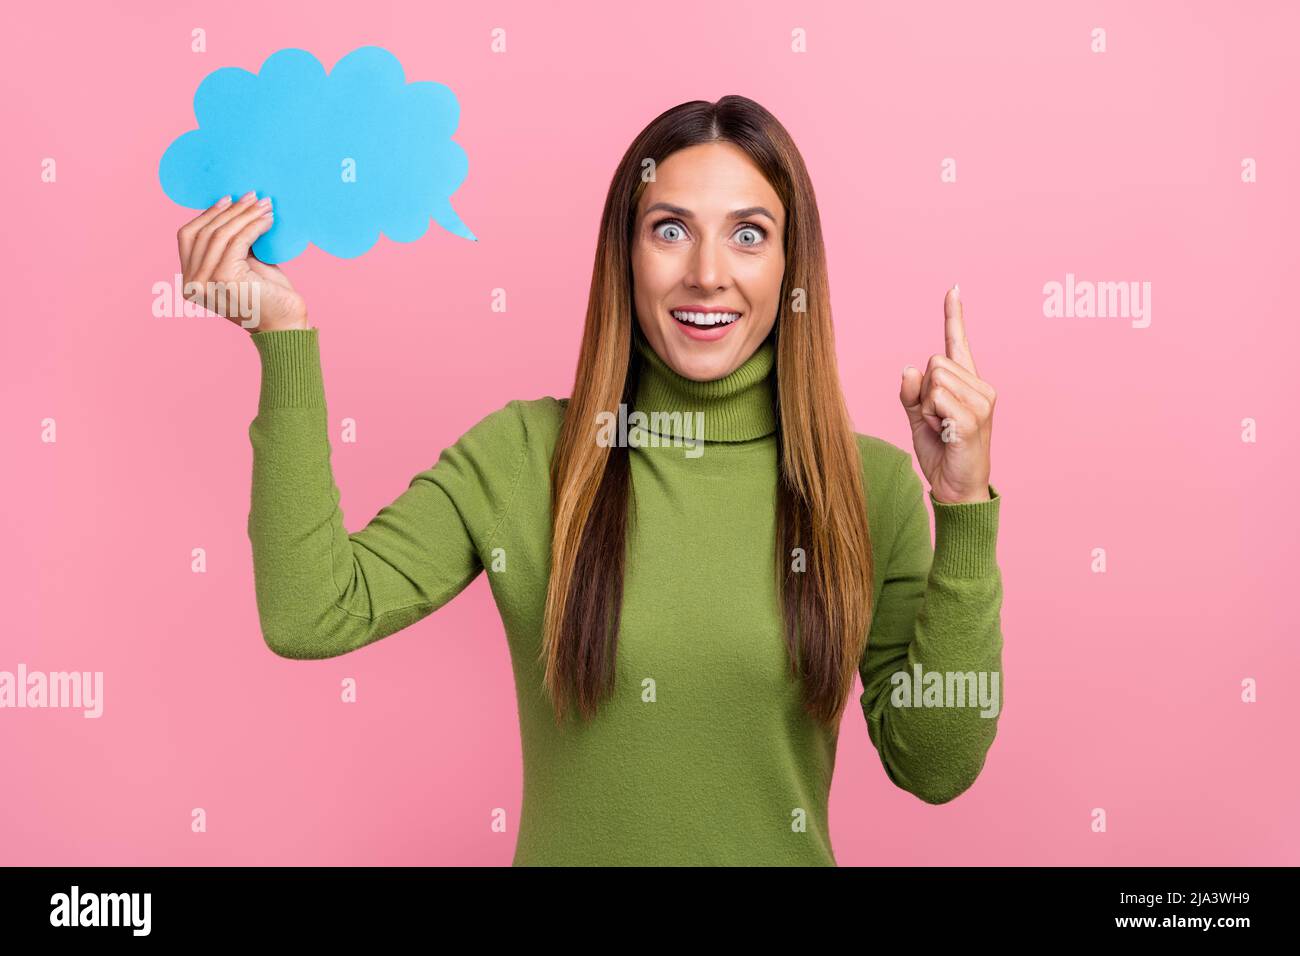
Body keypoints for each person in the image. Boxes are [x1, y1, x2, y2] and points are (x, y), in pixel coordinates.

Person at [174, 95, 1003, 866]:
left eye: (748, 234)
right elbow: (311, 613)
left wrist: (962, 510)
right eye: (671, 230)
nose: (708, 273)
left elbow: (934, 765)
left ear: (791, 267)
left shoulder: (869, 485)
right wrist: (282, 337)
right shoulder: (524, 455)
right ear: (625, 254)